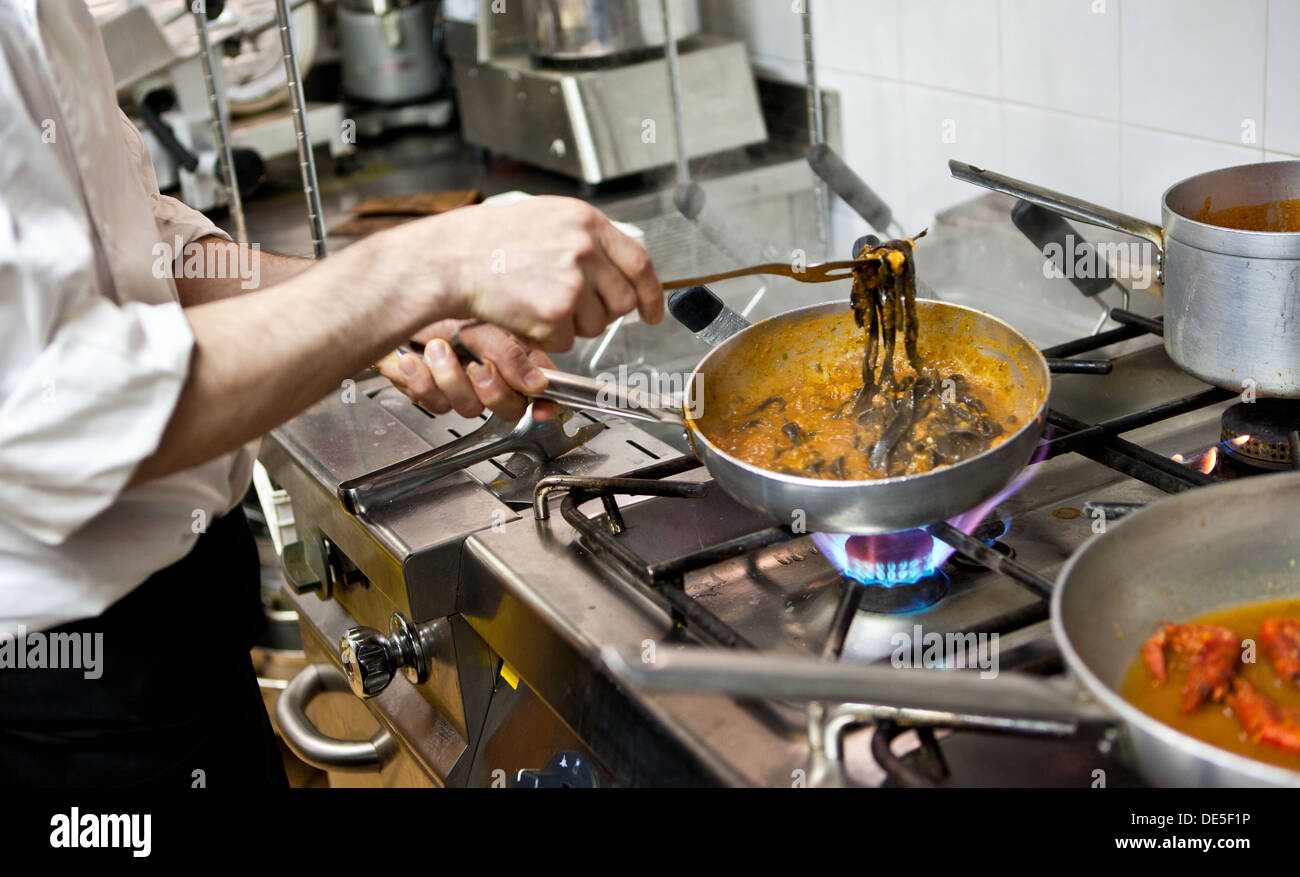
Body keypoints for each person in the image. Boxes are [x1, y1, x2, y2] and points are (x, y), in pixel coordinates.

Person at [0, 0, 662, 787]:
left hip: (181, 617)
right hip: (58, 679)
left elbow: (131, 246)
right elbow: (53, 407)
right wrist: (429, 264)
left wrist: (398, 309)